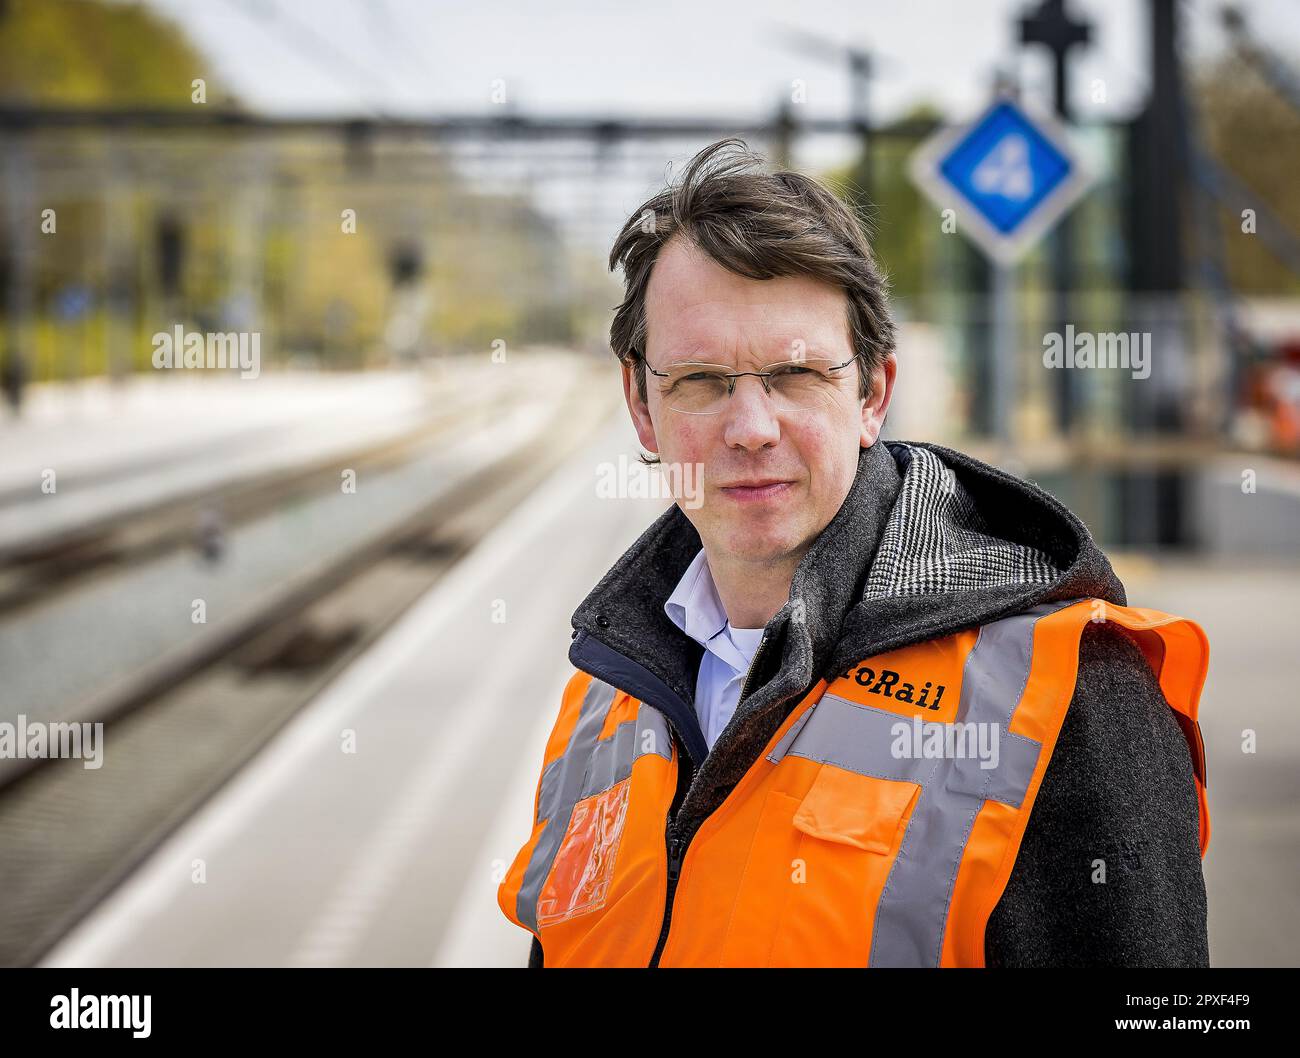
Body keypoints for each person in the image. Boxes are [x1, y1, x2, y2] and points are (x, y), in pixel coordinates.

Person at [497, 138, 1210, 967]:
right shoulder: (603, 699)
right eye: (700, 382)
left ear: (872, 393)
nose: (752, 429)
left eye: (796, 375)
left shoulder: (1066, 696)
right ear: (642, 406)